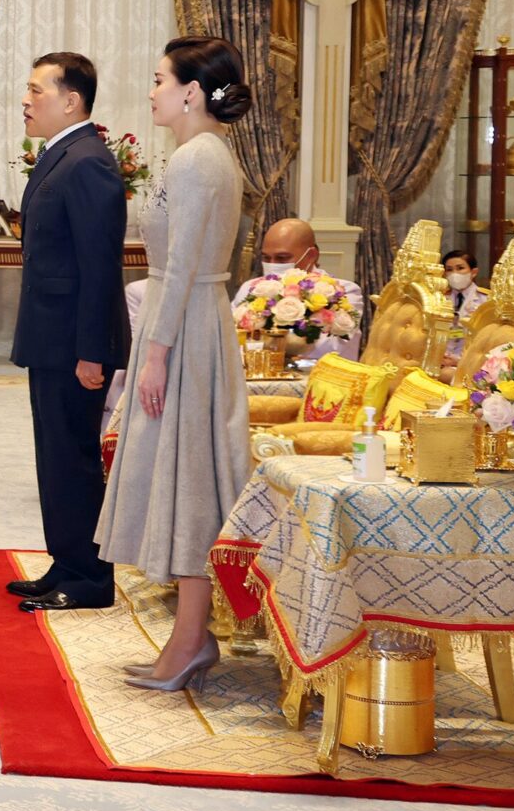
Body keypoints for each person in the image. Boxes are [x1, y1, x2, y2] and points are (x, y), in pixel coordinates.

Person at [100, 38, 254, 690]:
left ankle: (191, 639)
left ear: (193, 91)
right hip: (187, 320)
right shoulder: (204, 154)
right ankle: (191, 635)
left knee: (189, 482)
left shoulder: (197, 160)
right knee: (184, 482)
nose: (154, 89)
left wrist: (155, 354)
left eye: (161, 78)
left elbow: (184, 259)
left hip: (185, 329)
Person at [8, 51, 130, 616]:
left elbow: (99, 265)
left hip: (73, 345)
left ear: (71, 100)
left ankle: (88, 578)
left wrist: (91, 352)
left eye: (37, 90)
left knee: (74, 456)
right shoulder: (62, 155)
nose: (27, 100)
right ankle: (66, 561)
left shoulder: (88, 163)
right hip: (51, 336)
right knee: (55, 455)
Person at [234, 217, 365, 360]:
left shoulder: (345, 291)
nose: (272, 264)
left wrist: (267, 339)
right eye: (266, 257)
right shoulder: (251, 288)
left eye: (282, 258)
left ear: (311, 255)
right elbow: (231, 338)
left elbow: (331, 347)